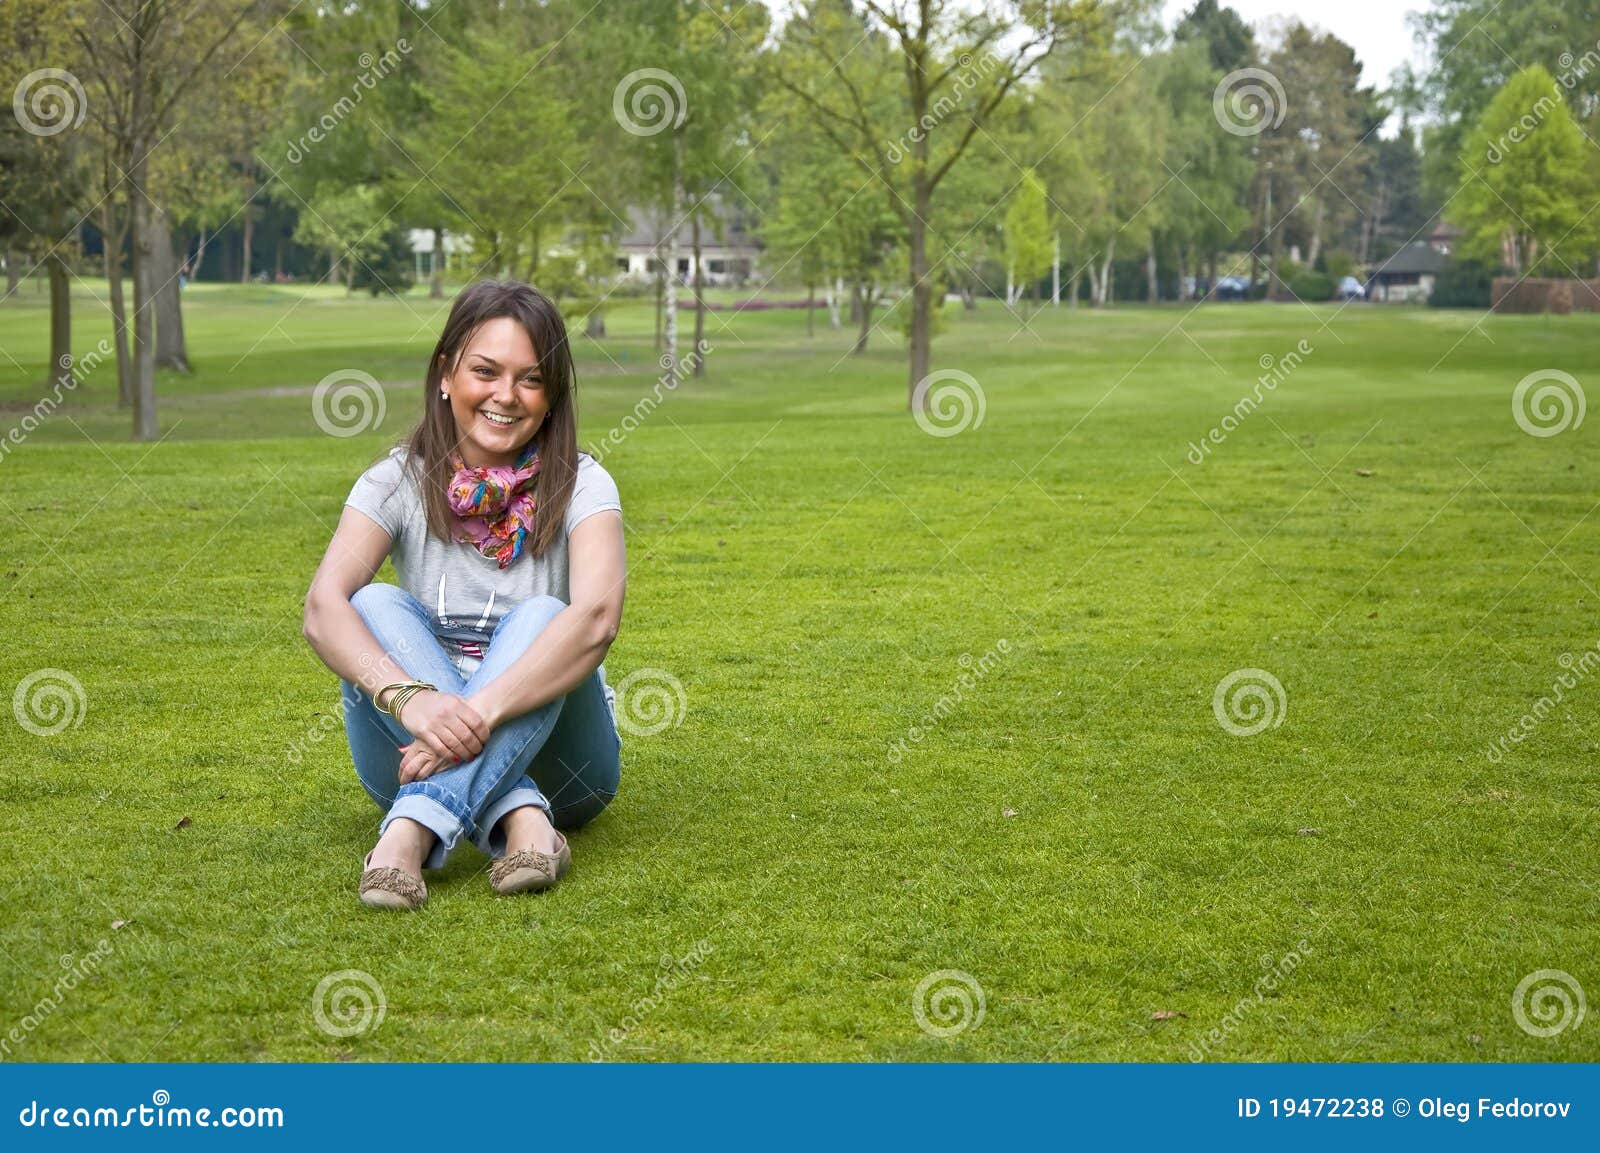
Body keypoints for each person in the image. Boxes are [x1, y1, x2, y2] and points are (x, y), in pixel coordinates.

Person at [302, 280, 625, 910]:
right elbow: (322, 609)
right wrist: (412, 699)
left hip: (569, 767)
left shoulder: (585, 483)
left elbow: (596, 621)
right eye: (485, 371)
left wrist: (476, 715)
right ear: (446, 373)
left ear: (553, 395)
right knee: (369, 604)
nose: (506, 396)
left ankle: (406, 834)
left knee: (545, 616)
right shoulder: (395, 480)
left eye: (531, 379)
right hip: (411, 746)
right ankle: (524, 822)